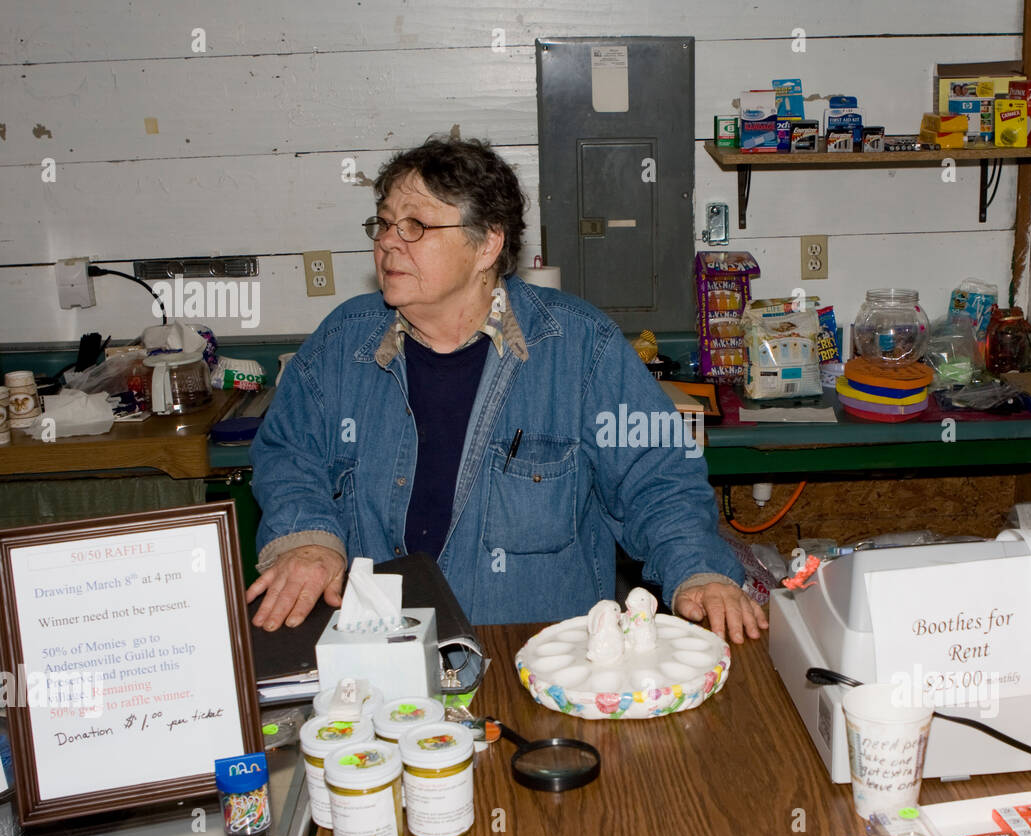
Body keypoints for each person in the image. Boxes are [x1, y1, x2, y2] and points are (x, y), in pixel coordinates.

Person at [246, 135, 765, 643]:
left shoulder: (581, 349)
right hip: (382, 656)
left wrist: (699, 571)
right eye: (383, 224)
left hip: (537, 662)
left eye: (415, 226)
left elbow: (658, 479)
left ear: (487, 244)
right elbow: (290, 454)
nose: (387, 242)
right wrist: (307, 538)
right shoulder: (341, 343)